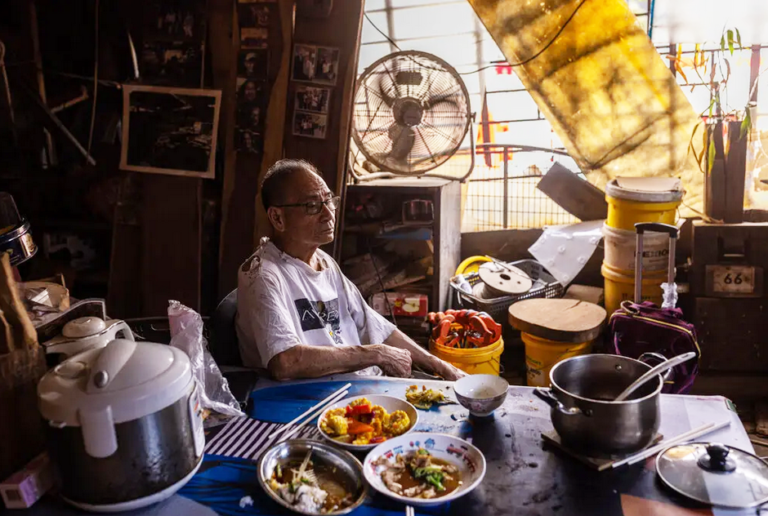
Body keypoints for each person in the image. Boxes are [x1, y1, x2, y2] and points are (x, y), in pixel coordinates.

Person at [236, 159, 465, 381]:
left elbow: (375, 326)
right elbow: (285, 362)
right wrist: (376, 353)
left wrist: (442, 367)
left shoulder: (323, 262)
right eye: (312, 206)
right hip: (312, 400)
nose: (328, 214)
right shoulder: (262, 275)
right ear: (277, 217)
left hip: (358, 383)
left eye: (329, 201)